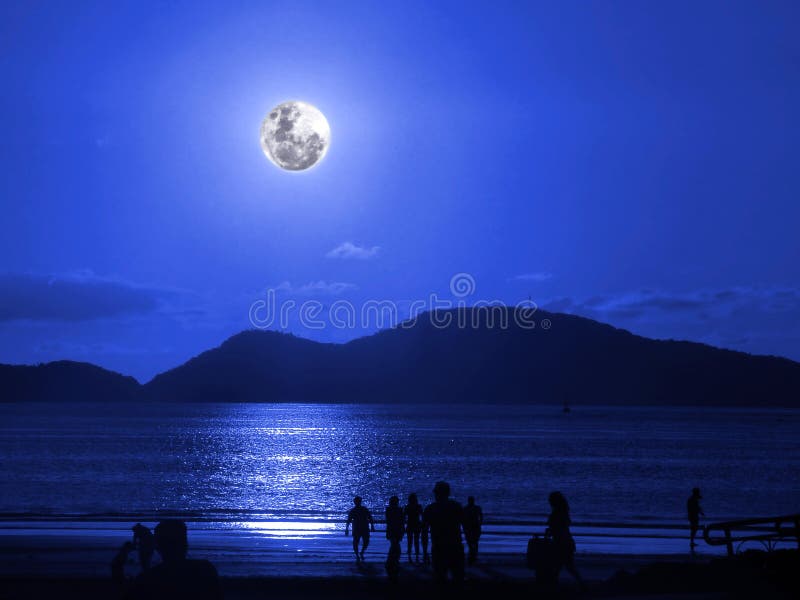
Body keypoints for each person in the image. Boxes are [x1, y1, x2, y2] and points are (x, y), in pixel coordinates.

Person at [112, 519, 222, 600]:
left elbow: (125, 592)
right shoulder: (205, 569)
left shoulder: (149, 579)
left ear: (158, 546)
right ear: (185, 544)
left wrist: (124, 556)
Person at [422, 481, 465, 584]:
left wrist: (424, 551)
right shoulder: (456, 507)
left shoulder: (430, 509)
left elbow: (424, 532)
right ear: (448, 493)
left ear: (436, 493)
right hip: (455, 546)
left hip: (439, 548)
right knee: (457, 579)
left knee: (440, 579)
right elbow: (466, 526)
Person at [546, 491, 583, 587]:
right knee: (563, 565)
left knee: (560, 565)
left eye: (550, 500)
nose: (549, 502)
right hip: (565, 542)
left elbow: (557, 529)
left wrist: (550, 532)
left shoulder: (557, 513)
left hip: (561, 543)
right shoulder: (563, 512)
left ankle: (582, 584)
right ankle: (581, 584)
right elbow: (560, 528)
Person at [345, 496, 375, 562]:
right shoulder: (354, 510)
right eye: (356, 501)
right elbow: (349, 520)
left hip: (362, 527)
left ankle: (361, 553)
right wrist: (346, 529)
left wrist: (372, 525)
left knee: (364, 541)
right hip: (359, 527)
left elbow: (370, 517)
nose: (357, 502)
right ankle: (358, 554)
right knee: (357, 541)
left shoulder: (363, 509)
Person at [384, 496, 405, 580]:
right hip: (396, 529)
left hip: (392, 529)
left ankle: (391, 561)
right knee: (395, 545)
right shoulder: (399, 510)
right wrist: (402, 528)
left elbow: (388, 520)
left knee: (394, 544)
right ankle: (393, 560)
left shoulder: (389, 510)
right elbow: (402, 520)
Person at [462, 496, 483, 565]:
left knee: (472, 542)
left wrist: (480, 523)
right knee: (473, 542)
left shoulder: (466, 509)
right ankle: (473, 555)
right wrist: (480, 523)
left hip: (472, 527)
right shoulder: (476, 508)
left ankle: (473, 555)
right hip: (472, 527)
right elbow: (481, 516)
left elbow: (481, 516)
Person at [403, 493, 423, 563]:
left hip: (410, 524)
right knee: (416, 540)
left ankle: (409, 554)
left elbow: (404, 517)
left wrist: (403, 525)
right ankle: (417, 555)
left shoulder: (407, 507)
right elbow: (422, 515)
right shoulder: (418, 506)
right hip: (417, 524)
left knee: (410, 540)